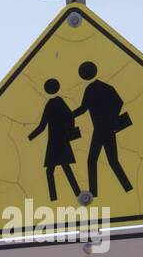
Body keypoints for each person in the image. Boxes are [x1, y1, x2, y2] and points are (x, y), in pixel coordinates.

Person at [70, 61, 133, 198]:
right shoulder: (105, 87)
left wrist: (70, 115)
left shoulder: (91, 89)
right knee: (112, 161)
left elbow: (83, 108)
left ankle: (94, 194)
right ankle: (127, 187)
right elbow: (119, 102)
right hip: (106, 129)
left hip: (101, 129)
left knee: (93, 160)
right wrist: (112, 117)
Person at [27, 78, 82, 201]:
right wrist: (68, 130)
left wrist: (29, 138)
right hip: (61, 141)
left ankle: (55, 198)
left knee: (53, 171)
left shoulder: (51, 104)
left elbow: (42, 126)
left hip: (55, 143)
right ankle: (76, 194)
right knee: (63, 168)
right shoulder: (59, 102)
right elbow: (70, 118)